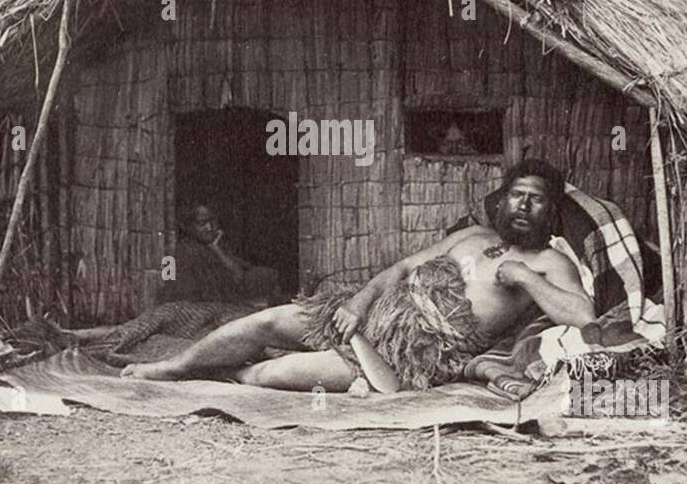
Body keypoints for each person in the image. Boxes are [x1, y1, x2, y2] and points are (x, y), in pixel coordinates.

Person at [125, 159, 594, 391]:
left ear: (550, 211)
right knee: (267, 322)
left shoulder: (550, 263)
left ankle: (228, 374)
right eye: (517, 194)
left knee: (265, 375)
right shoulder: (471, 235)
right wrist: (358, 303)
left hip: (410, 353)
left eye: (535, 199)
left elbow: (584, 315)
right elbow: (403, 268)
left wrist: (525, 277)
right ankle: (174, 367)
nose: (523, 205)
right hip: (371, 316)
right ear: (503, 199)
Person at [159, 203, 279, 304]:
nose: (209, 228)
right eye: (202, 224)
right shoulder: (185, 251)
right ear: (189, 226)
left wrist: (216, 249)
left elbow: (239, 273)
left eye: (212, 222)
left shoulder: (216, 245)